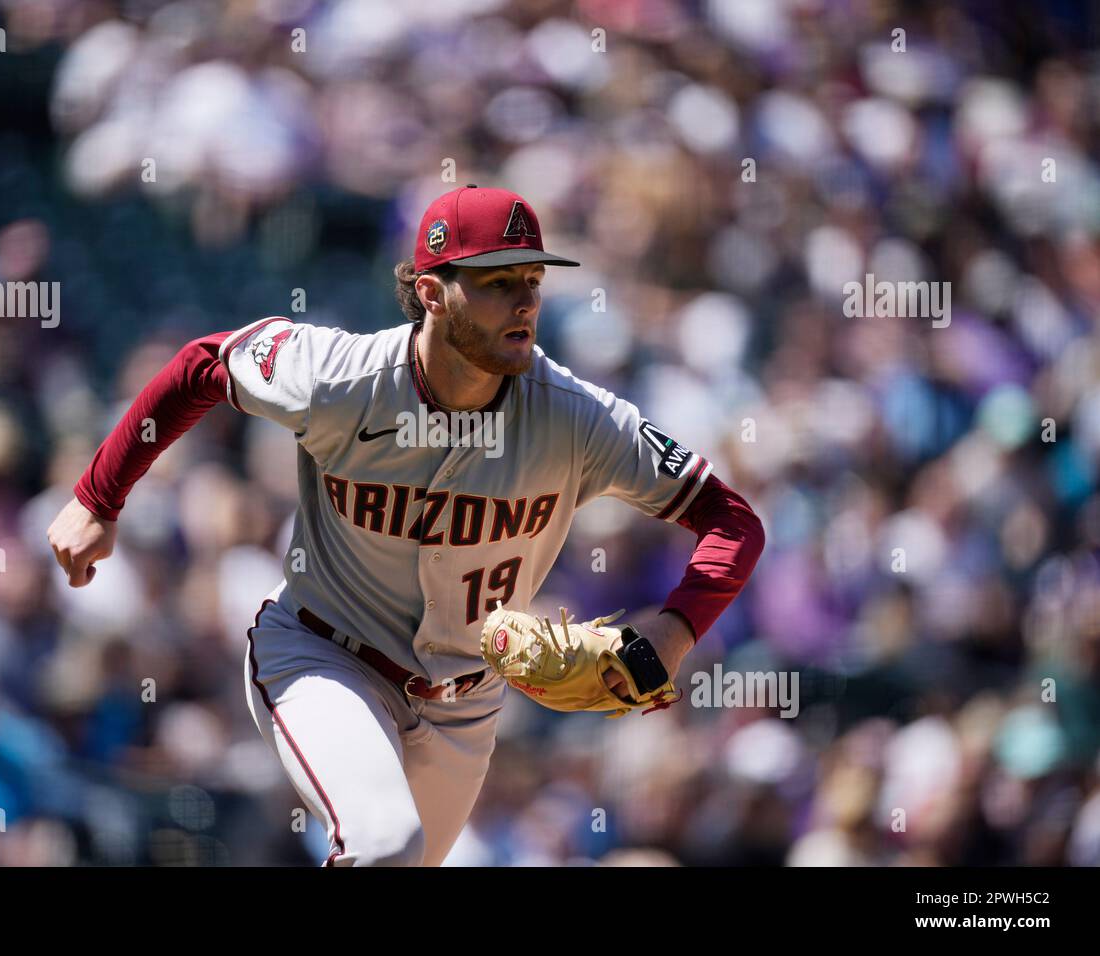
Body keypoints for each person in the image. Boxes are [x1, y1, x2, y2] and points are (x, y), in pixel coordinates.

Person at [47, 185, 765, 866]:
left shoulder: (577, 418)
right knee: (385, 844)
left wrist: (672, 636)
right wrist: (97, 500)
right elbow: (202, 365)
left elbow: (732, 521)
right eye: (496, 283)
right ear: (431, 293)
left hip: (466, 701)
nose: (523, 303)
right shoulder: (339, 376)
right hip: (325, 655)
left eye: (532, 282)